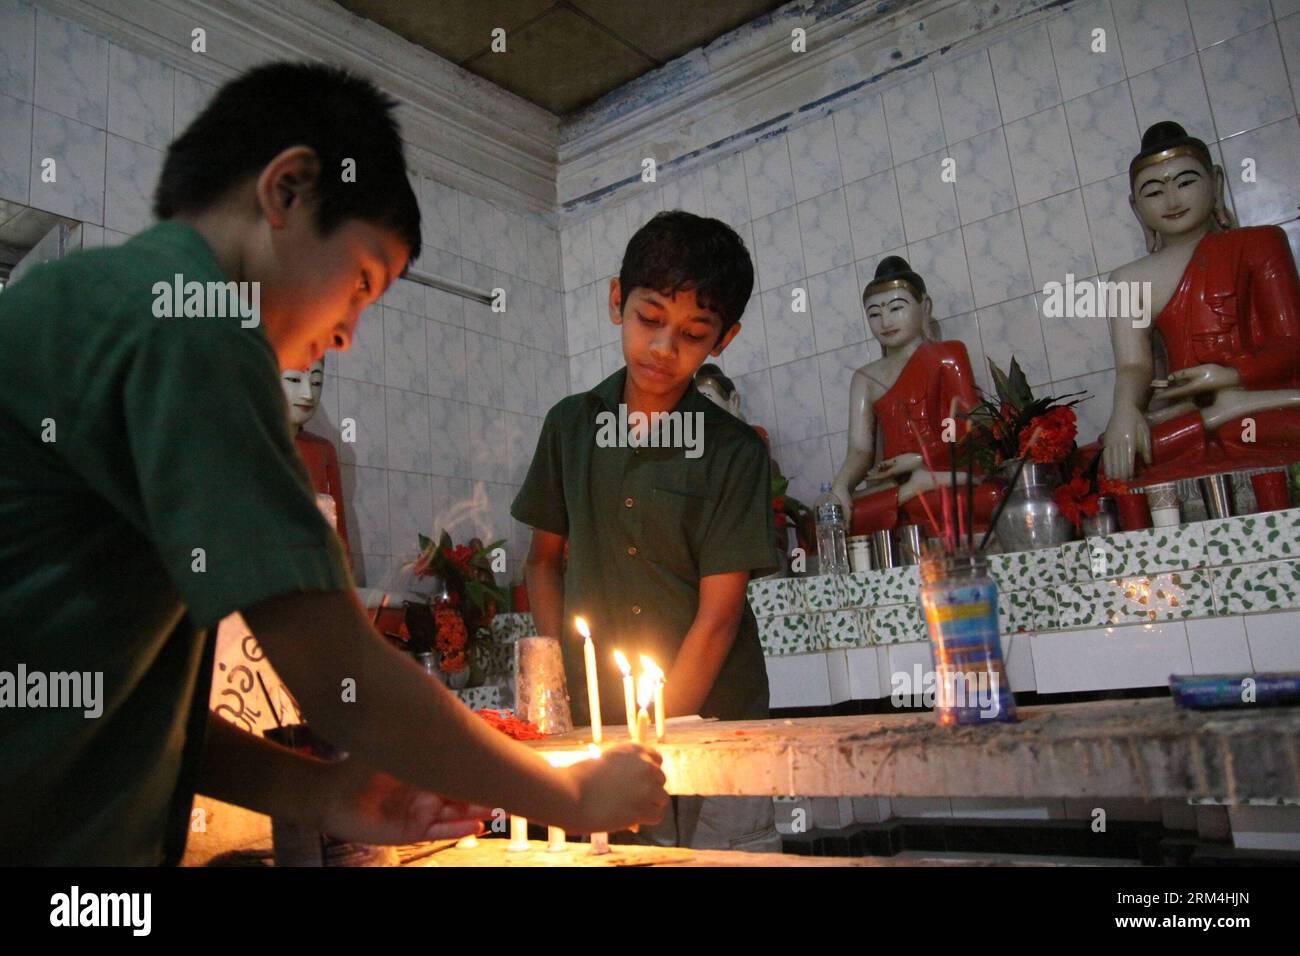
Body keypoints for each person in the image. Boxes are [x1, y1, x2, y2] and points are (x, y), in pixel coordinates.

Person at [0, 61, 665, 866]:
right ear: (287, 191)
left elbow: (125, 709)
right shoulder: (191, 322)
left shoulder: (98, 300)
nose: (349, 331)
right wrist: (570, 794)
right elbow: (340, 676)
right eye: (360, 281)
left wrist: (322, 793)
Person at [513, 210, 783, 852]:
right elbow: (542, 564)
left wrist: (648, 738)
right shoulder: (570, 428)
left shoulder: (733, 452)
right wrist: (560, 690)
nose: (663, 348)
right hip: (597, 725)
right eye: (649, 318)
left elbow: (718, 619)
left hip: (718, 723)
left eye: (692, 334)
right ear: (617, 300)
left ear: (724, 339)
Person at [1101, 121, 1300, 485]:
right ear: (1136, 207)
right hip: (1194, 414)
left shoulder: (1261, 244)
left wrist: (1228, 376)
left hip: (1268, 402)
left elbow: (1292, 344)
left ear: (1216, 183)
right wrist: (1125, 409)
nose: (1173, 199)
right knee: (1106, 461)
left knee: (1246, 431)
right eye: (1154, 191)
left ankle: (1231, 409)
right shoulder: (1127, 280)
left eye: (1186, 181)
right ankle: (1220, 415)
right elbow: (1133, 365)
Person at [830, 256, 1000, 536]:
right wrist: (841, 486)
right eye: (874, 314)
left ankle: (924, 484)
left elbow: (972, 431)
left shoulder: (947, 356)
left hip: (951, 476)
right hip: (897, 485)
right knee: (830, 518)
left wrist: (919, 459)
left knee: (993, 497)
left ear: (925, 306)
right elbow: (860, 450)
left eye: (896, 308)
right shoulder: (864, 378)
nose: (885, 321)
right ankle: (913, 490)